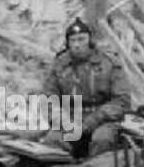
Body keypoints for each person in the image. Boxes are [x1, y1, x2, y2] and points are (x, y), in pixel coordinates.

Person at [41, 17, 132, 158]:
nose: (77, 45)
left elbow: (121, 101)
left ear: (90, 41)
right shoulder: (60, 65)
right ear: (67, 43)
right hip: (70, 120)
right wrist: (62, 120)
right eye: (73, 40)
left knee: (102, 140)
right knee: (53, 141)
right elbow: (48, 99)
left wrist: (91, 122)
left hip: (102, 120)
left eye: (81, 39)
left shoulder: (109, 63)